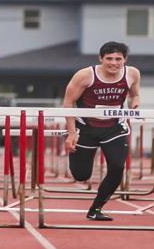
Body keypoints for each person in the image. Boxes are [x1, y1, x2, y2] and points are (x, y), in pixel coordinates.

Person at [60, 41, 141, 222]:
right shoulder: (85, 75)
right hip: (86, 128)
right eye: (109, 59)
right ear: (101, 59)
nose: (114, 63)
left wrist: (135, 103)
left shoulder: (132, 74)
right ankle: (79, 162)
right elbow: (68, 103)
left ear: (125, 60)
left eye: (118, 59)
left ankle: (96, 208)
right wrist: (72, 133)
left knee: (117, 167)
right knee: (81, 175)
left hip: (115, 128)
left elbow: (135, 94)